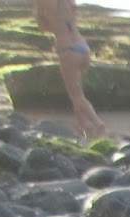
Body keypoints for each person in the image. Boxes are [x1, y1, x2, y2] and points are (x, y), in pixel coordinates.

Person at [34, 0, 105, 139]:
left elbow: (44, 27)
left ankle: (97, 123)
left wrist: (37, 12)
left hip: (67, 49)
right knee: (76, 92)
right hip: (82, 46)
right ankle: (85, 128)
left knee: (76, 95)